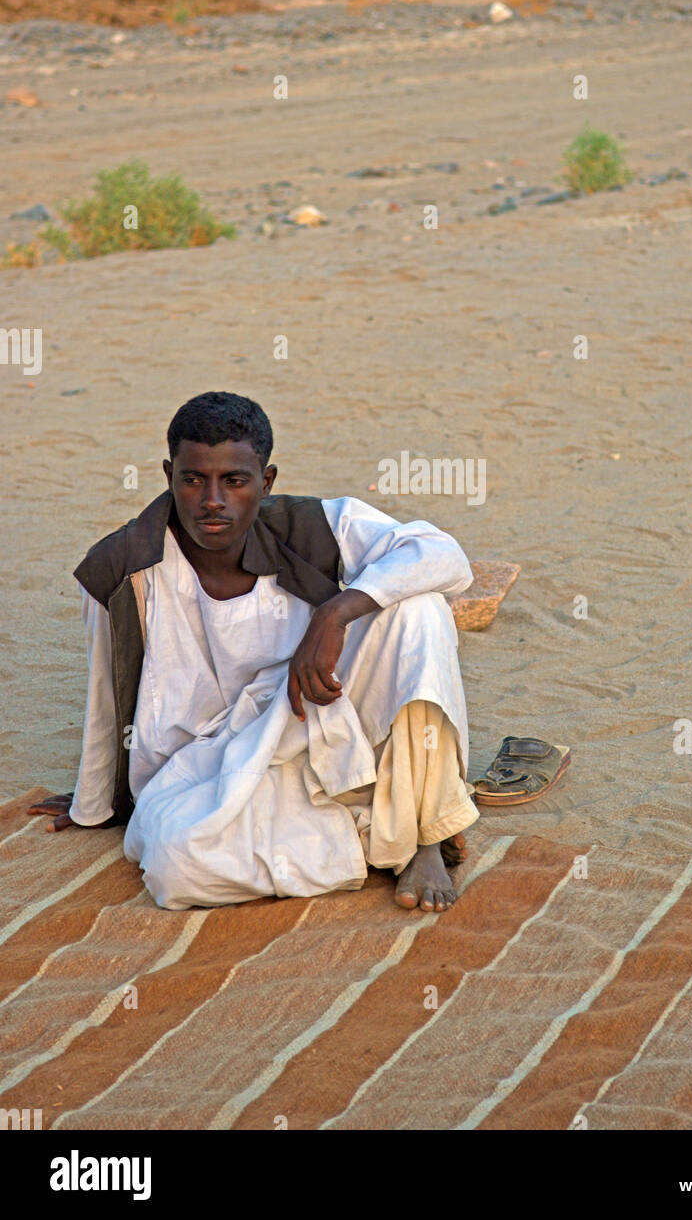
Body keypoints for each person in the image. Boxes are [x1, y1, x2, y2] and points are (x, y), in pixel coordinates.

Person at [28, 391, 479, 913]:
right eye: (193, 480)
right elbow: (107, 690)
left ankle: (423, 839)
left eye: (234, 481)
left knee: (418, 608)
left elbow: (442, 554)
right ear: (169, 475)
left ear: (266, 483)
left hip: (312, 719)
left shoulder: (315, 526)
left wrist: (335, 614)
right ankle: (380, 831)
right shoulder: (121, 566)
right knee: (177, 865)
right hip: (203, 761)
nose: (212, 500)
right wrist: (95, 801)